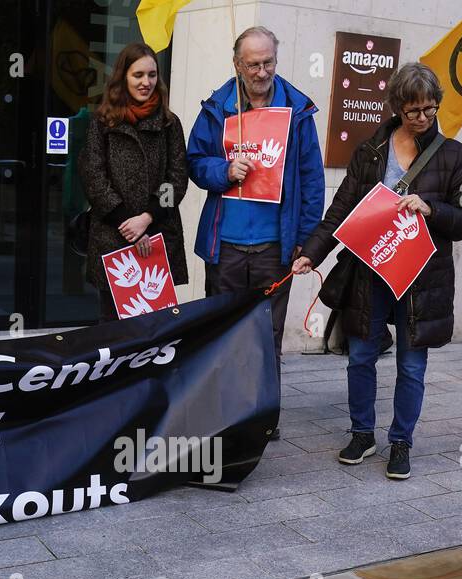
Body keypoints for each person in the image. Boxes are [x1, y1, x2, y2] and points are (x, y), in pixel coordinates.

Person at [292, 62, 462, 479]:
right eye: (414, 111)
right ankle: (362, 433)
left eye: (431, 109)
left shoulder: (453, 155)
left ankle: (401, 441)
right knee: (360, 356)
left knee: (411, 366)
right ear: (396, 106)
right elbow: (341, 211)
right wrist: (313, 253)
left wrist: (431, 209)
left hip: (421, 279)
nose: (424, 119)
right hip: (369, 274)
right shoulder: (370, 150)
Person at [186, 25, 325, 439]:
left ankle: (263, 418)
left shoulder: (297, 111)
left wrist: (305, 239)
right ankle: (222, 413)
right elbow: (195, 162)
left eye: (268, 62)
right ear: (237, 65)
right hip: (225, 245)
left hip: (274, 247)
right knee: (222, 332)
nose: (262, 72)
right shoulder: (217, 107)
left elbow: (312, 180)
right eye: (253, 64)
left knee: (267, 337)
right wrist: (223, 170)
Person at [78, 43, 188, 324]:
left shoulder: (169, 123)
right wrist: (130, 225)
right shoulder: (102, 122)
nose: (146, 82)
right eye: (138, 75)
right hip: (113, 236)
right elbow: (93, 177)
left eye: (152, 75)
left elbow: (177, 179)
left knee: (154, 326)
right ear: (123, 77)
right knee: (112, 327)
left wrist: (147, 217)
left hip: (158, 233)